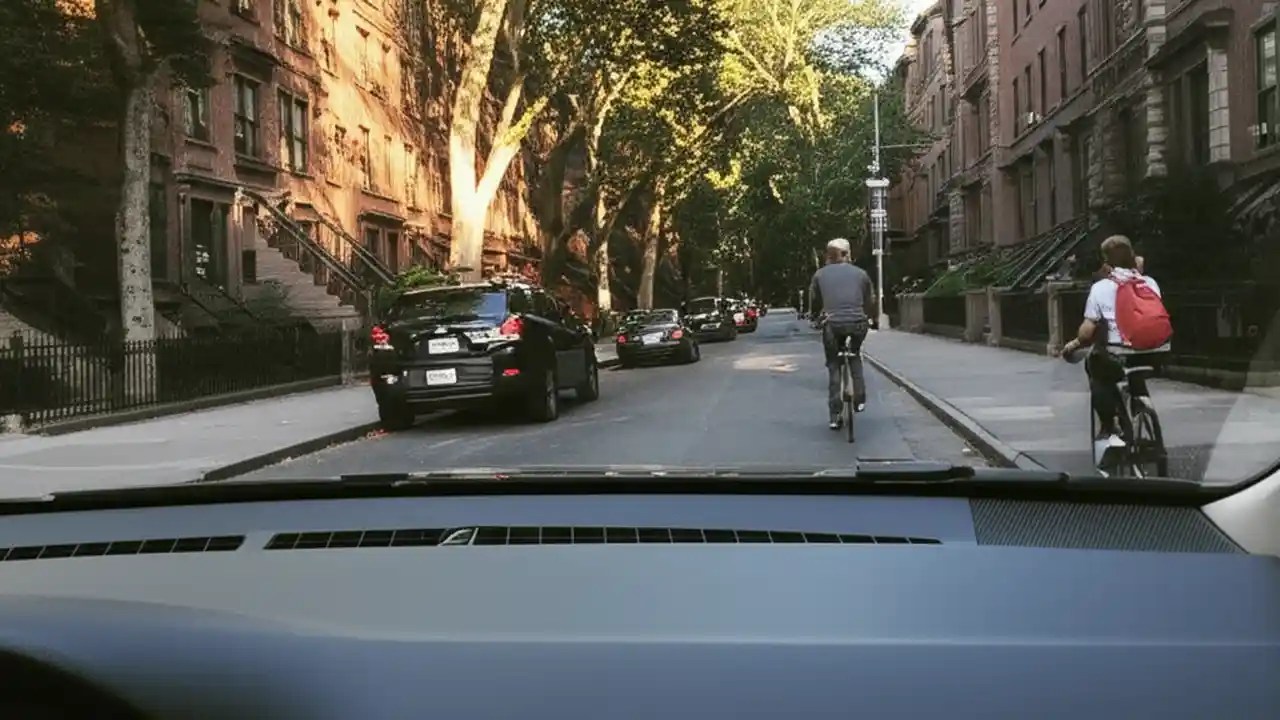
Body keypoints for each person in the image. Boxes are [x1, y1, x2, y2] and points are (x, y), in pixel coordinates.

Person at [1061, 235, 1164, 446]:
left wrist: (1073, 345)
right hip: (1156, 353)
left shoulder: (1101, 288)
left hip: (1118, 356)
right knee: (1136, 365)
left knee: (1095, 363)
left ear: (1106, 261)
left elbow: (1087, 333)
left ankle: (1108, 426)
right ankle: (1141, 410)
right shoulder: (1150, 283)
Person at [809, 238, 877, 430]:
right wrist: (871, 318)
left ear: (827, 255)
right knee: (854, 355)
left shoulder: (819, 275)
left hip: (832, 325)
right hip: (858, 324)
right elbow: (869, 300)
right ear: (848, 254)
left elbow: (814, 300)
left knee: (833, 365)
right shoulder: (861, 274)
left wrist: (814, 317)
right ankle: (860, 398)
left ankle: (835, 413)